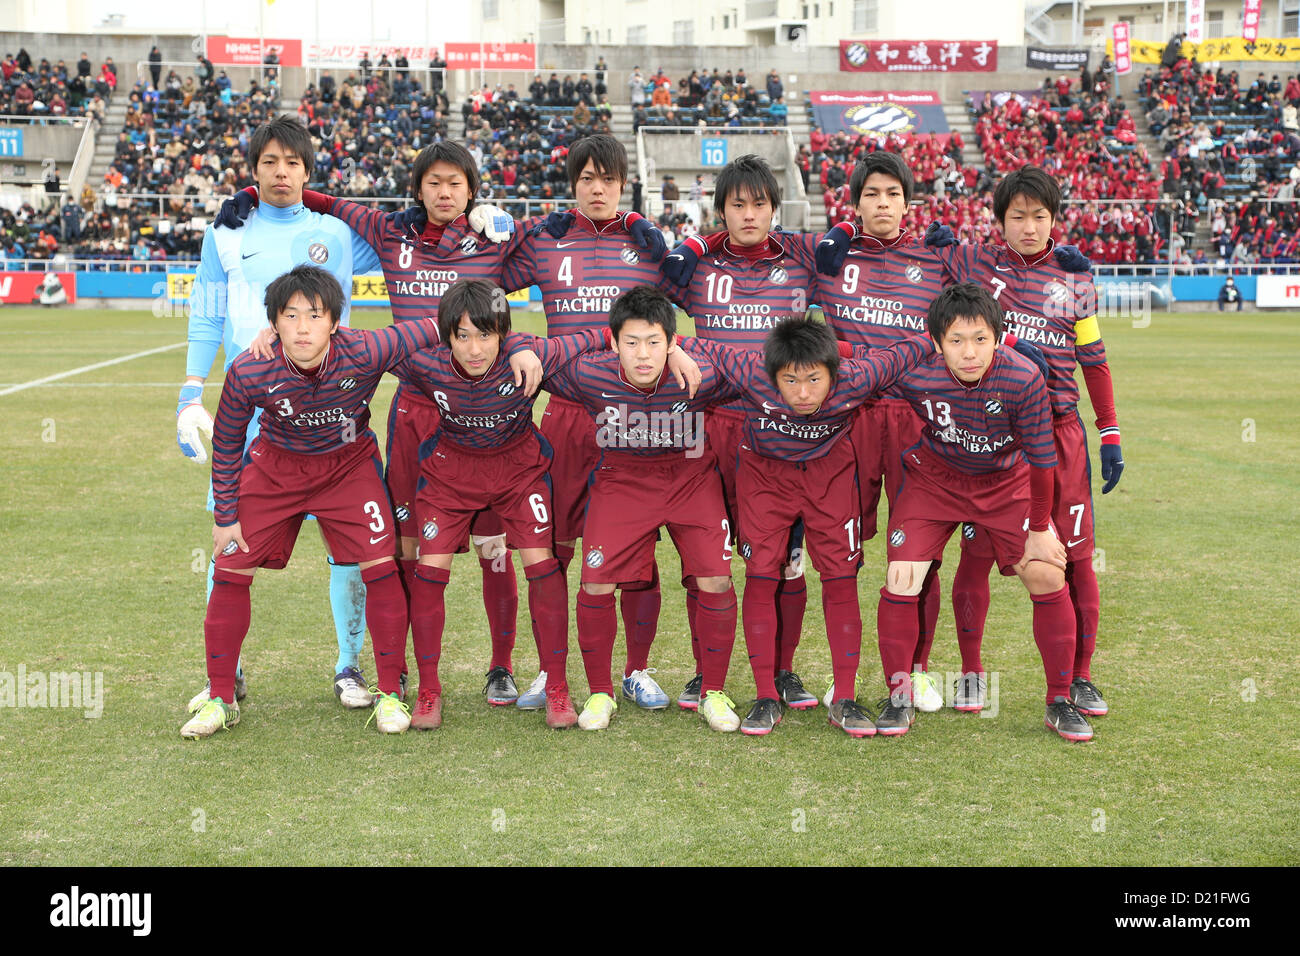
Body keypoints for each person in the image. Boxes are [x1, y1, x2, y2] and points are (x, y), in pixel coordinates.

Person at [219, 142, 532, 707]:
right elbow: (328, 200)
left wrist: (513, 220)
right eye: (433, 182)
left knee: (493, 546)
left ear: (472, 191)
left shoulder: (494, 244)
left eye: (456, 184)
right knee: (403, 549)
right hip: (415, 409)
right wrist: (251, 194)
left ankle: (501, 666)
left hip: (485, 412)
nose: (444, 193)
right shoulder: (390, 232)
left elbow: (565, 248)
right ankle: (403, 668)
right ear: (417, 189)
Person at [180, 115, 384, 715]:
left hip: (328, 410)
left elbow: (413, 241)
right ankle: (228, 673)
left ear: (308, 170)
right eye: (269, 162)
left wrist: (484, 221)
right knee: (227, 536)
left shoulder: (337, 231)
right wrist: (192, 391)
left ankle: (350, 665)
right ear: (253, 169)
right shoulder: (224, 234)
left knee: (348, 545)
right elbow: (207, 314)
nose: (280, 172)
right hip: (247, 410)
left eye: (292, 162)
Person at [180, 266, 439, 739]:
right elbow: (228, 440)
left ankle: (388, 692)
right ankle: (220, 698)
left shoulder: (366, 349)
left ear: (335, 322)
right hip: (276, 468)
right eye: (290, 315)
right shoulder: (250, 368)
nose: (302, 327)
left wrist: (516, 342)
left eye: (314, 316)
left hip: (349, 467)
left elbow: (440, 321)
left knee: (382, 568)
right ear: (273, 324)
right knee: (229, 566)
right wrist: (225, 515)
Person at [500, 135, 696, 713]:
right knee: (554, 551)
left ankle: (635, 670)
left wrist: (680, 345)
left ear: (623, 184)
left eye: (608, 178)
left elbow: (700, 298)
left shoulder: (650, 245)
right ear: (573, 185)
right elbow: (484, 288)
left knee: (635, 552)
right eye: (586, 178)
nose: (597, 188)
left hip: (635, 418)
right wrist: (515, 339)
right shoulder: (545, 239)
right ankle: (548, 669)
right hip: (565, 413)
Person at [926, 166, 1122, 719]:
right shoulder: (972, 262)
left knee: (1077, 559)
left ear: (1055, 219)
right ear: (1000, 220)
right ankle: (969, 673)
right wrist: (933, 240)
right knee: (976, 555)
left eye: (1041, 216)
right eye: (1019, 217)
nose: (1030, 227)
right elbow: (906, 258)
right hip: (991, 433)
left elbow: (1094, 359)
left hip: (1060, 432)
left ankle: (1078, 678)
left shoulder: (1076, 278)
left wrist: (1109, 431)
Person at [682, 317, 932, 736]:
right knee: (760, 577)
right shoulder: (749, 369)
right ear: (771, 374)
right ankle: (766, 695)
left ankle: (846, 698)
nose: (802, 393)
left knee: (840, 578)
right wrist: (671, 349)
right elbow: (683, 340)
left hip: (829, 474)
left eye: (814, 379)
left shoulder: (860, 376)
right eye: (790, 380)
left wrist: (1007, 339)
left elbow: (921, 343)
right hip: (764, 476)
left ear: (833, 373)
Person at [867, 282, 1092, 742]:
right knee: (902, 577)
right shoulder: (914, 369)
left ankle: (1060, 700)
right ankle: (899, 694)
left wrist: (1038, 528)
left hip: (1004, 483)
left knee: (1047, 572)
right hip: (935, 480)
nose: (969, 353)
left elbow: (1043, 460)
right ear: (936, 342)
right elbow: (855, 358)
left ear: (998, 336)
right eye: (956, 340)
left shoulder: (1024, 376)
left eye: (980, 339)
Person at [390, 279, 606, 731]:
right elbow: (361, 349)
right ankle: (429, 690)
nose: (473, 348)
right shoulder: (424, 362)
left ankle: (557, 689)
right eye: (462, 335)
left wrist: (678, 346)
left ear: (502, 334)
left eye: (485, 335)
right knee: (430, 572)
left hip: (518, 470)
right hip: (450, 474)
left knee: (541, 565)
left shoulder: (527, 359)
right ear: (445, 335)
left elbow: (597, 334)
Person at [659, 154, 822, 713]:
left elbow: (858, 264)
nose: (748, 215)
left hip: (784, 428)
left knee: (785, 557)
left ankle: (783, 669)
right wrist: (698, 246)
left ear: (775, 208)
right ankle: (707, 670)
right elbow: (644, 293)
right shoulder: (698, 269)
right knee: (706, 555)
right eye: (736, 205)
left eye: (758, 204)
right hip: (711, 426)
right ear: (720, 210)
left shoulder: (801, 259)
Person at [544, 286, 742, 732]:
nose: (643, 354)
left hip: (691, 477)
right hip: (622, 480)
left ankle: (713, 691)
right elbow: (532, 352)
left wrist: (687, 348)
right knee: (594, 585)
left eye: (655, 342)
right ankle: (600, 693)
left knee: (715, 577)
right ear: (613, 343)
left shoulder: (701, 373)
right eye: (631, 343)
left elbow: (761, 361)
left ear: (671, 342)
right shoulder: (589, 374)